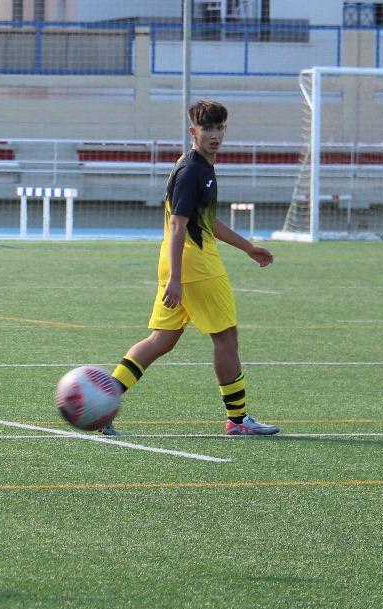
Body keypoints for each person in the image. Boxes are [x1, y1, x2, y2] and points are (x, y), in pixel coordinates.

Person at [104, 99, 281, 436]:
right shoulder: (192, 170)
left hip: (180, 264)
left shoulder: (199, 166)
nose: (214, 135)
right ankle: (239, 420)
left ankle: (102, 404)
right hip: (196, 267)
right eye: (207, 129)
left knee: (161, 339)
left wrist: (247, 247)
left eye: (219, 128)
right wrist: (175, 279)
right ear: (193, 131)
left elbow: (207, 219)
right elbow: (177, 225)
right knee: (226, 338)